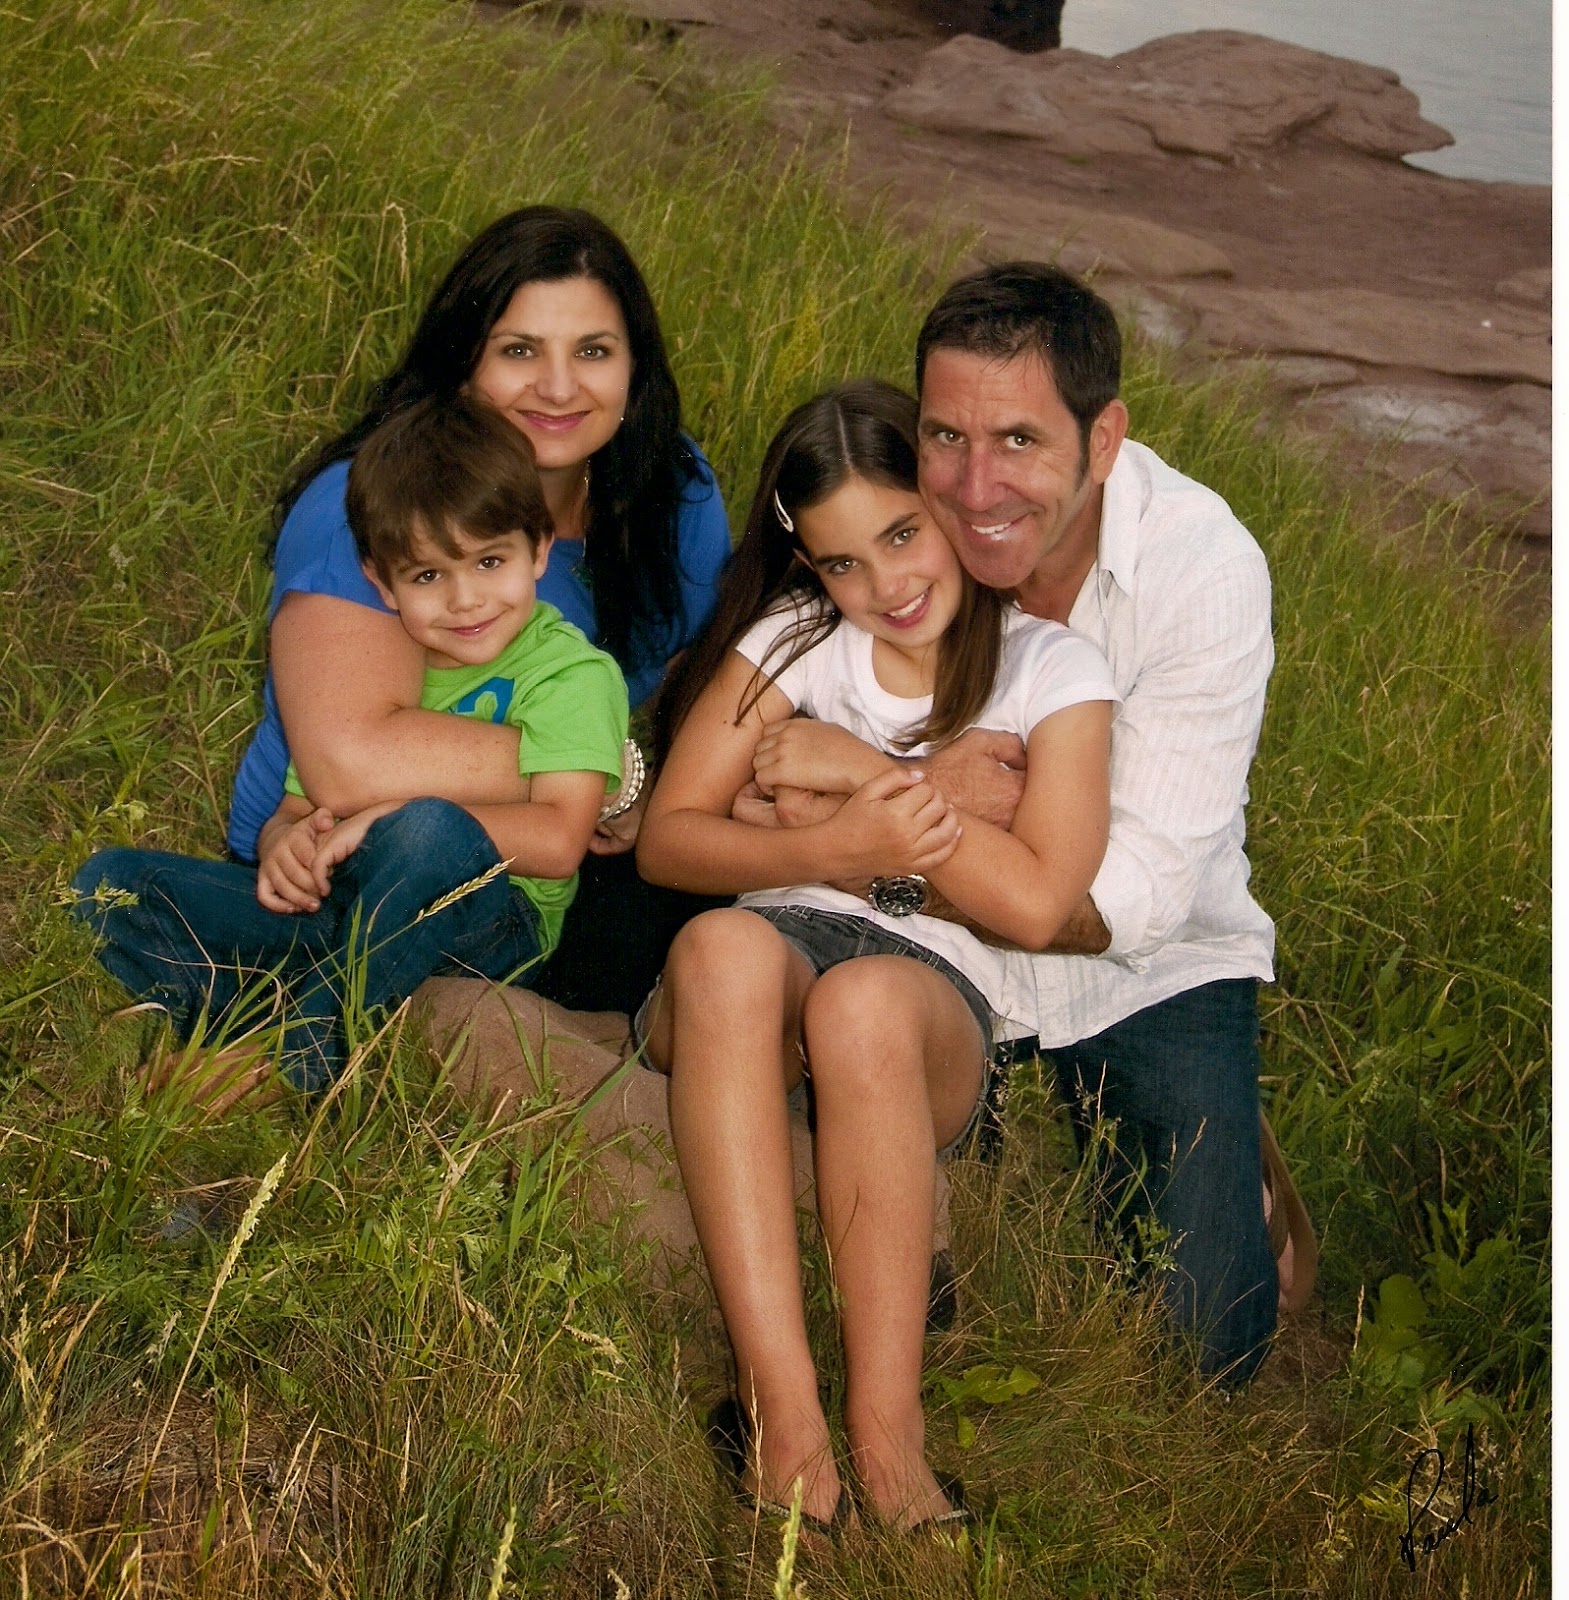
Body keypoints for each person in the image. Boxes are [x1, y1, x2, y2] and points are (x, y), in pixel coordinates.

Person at [750, 262, 1295, 1385]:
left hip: (1138, 961)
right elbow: (763, 782)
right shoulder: (909, 530)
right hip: (922, 939)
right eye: (947, 435)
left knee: (1206, 1348)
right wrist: (920, 809)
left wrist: (883, 822)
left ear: (1104, 441)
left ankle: (1241, 1174)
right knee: (887, 1269)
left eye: (1020, 442)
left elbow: (1118, 899)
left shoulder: (1203, 571)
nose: (978, 485)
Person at [635, 380, 1118, 1530]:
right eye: (843, 562)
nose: (886, 585)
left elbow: (1044, 900)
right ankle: (785, 1414)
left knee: (858, 1004)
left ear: (945, 502)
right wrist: (840, 842)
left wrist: (855, 771)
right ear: (806, 561)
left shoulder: (1054, 671)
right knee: (718, 951)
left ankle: (889, 1441)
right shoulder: (793, 642)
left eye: (902, 533)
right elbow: (668, 840)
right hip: (778, 935)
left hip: (930, 990)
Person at [227, 204, 730, 1017]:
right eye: (519, 350)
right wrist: (605, 772)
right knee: (119, 892)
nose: (559, 387)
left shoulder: (668, 490)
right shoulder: (370, 504)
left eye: (593, 351)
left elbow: (693, 664)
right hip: (333, 858)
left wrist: (674, 778)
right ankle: (299, 1019)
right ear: (463, 363)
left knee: (731, 903)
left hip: (533, 859)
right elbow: (351, 762)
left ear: (635, 370)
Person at [70, 394, 628, 1100]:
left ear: (539, 547)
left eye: (490, 562)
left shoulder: (571, 673)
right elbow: (302, 804)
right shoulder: (373, 679)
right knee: (111, 887)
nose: (465, 600)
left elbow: (556, 840)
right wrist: (283, 846)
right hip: (346, 914)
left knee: (429, 831)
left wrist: (388, 815)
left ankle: (282, 1067)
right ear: (380, 580)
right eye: (428, 575)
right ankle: (319, 1007)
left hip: (489, 926)